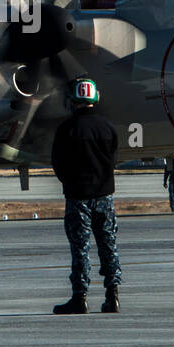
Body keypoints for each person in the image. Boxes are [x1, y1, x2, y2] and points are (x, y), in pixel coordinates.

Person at [50, 76, 122, 314]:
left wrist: (71, 183)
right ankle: (113, 297)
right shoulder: (108, 128)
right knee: (108, 246)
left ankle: (80, 298)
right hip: (105, 196)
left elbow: (58, 165)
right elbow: (113, 160)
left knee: (81, 248)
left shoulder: (66, 129)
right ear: (95, 97)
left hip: (77, 196)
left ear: (73, 99)